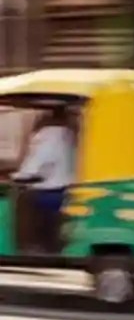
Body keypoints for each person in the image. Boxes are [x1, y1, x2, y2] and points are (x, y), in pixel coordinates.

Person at [12, 107, 75, 252]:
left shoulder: (49, 134)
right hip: (65, 188)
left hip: (48, 190)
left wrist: (19, 176)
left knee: (26, 207)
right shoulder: (69, 133)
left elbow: (37, 163)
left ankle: (30, 248)